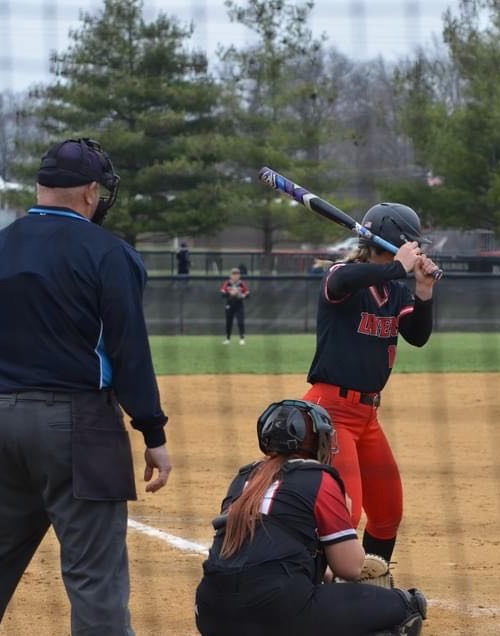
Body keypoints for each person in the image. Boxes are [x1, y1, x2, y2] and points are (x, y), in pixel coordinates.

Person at [0, 138, 172, 635]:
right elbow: (129, 352)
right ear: (91, 192)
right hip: (77, 426)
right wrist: (153, 433)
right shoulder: (107, 253)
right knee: (95, 580)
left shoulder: (5, 243)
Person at [194, 399, 427, 636]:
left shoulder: (243, 479)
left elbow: (267, 549)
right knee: (408, 606)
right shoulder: (318, 478)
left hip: (210, 615)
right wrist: (342, 515)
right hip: (277, 611)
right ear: (318, 442)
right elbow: (351, 568)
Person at [302, 202, 440, 564]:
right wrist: (399, 267)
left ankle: (371, 591)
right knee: (345, 514)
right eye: (412, 243)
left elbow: (418, 336)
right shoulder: (343, 275)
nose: (418, 250)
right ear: (395, 240)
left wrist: (423, 291)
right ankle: (318, 592)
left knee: (387, 514)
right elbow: (340, 280)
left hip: (367, 417)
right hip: (330, 412)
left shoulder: (395, 291)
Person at [220, 267, 250, 345]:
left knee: (240, 321)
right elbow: (223, 294)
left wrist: (239, 295)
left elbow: (247, 295)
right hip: (229, 304)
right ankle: (228, 339)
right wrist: (230, 293)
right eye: (233, 274)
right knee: (228, 322)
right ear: (230, 275)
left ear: (239, 276)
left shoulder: (242, 284)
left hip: (239, 305)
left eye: (237, 274)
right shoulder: (227, 283)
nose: (235, 276)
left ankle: (242, 338)